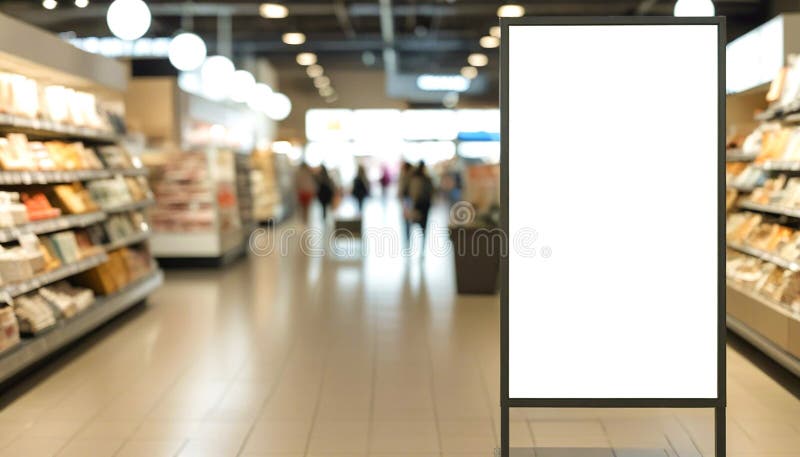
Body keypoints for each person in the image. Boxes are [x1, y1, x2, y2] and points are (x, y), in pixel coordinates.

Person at [407, 161, 434, 250]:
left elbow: (411, 192)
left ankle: (411, 243)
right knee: (423, 225)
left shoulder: (413, 178)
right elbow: (431, 191)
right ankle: (421, 244)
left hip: (417, 204)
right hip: (424, 204)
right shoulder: (426, 179)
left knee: (413, 224)